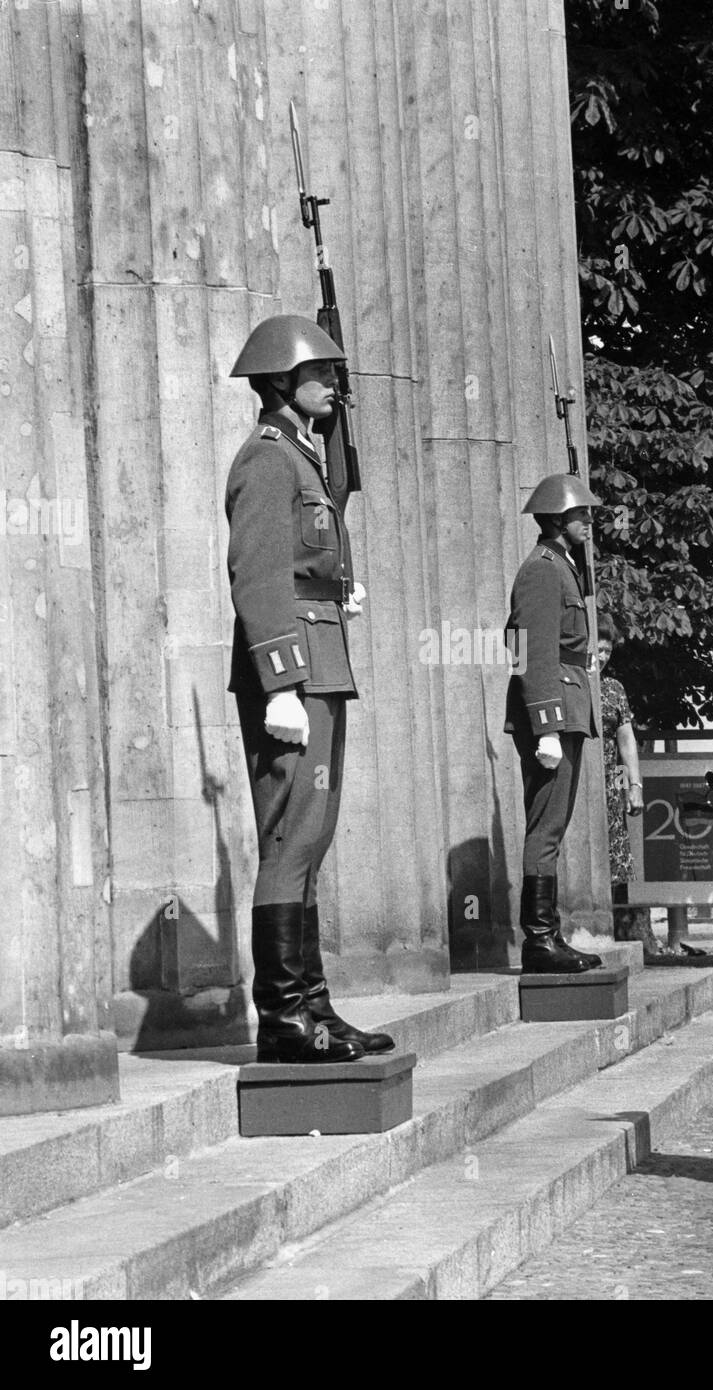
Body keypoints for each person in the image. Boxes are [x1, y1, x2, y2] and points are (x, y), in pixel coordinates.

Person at [226, 313, 393, 1063]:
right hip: (294, 668)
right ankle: (284, 1016)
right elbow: (257, 574)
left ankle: (313, 1007)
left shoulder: (304, 455)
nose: (333, 384)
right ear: (281, 382)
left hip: (323, 656)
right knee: (291, 838)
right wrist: (280, 684)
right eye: (320, 373)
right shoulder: (267, 459)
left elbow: (308, 556)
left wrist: (340, 586)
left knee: (312, 837)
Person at [504, 474, 603, 973]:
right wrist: (544, 725)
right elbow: (530, 650)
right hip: (553, 713)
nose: (589, 520)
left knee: (554, 826)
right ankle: (539, 939)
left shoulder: (564, 566)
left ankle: (548, 935)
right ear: (557, 520)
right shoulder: (542, 570)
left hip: (567, 709)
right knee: (545, 829)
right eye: (581, 514)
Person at [597, 613, 668, 961]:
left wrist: (634, 786)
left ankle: (608, 933)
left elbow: (626, 741)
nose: (601, 656)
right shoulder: (567, 682)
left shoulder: (614, 689)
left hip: (610, 788)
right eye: (596, 648)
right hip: (576, 783)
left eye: (607, 650)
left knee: (613, 867)